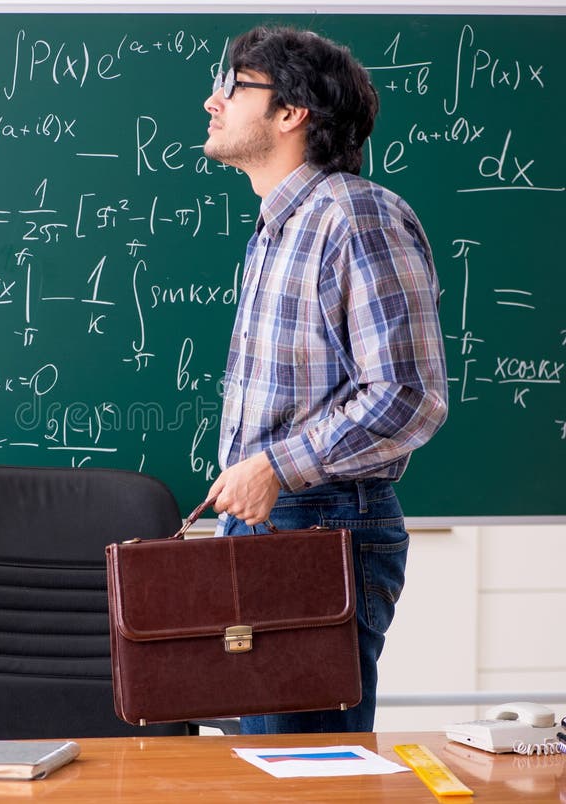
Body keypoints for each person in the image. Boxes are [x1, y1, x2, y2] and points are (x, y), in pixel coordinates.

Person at [203, 26, 448, 734]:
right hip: (265, 527)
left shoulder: (353, 215)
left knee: (302, 772)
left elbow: (408, 394)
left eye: (235, 86)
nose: (211, 101)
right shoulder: (279, 227)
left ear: (292, 114)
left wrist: (275, 466)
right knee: (257, 766)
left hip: (321, 527)